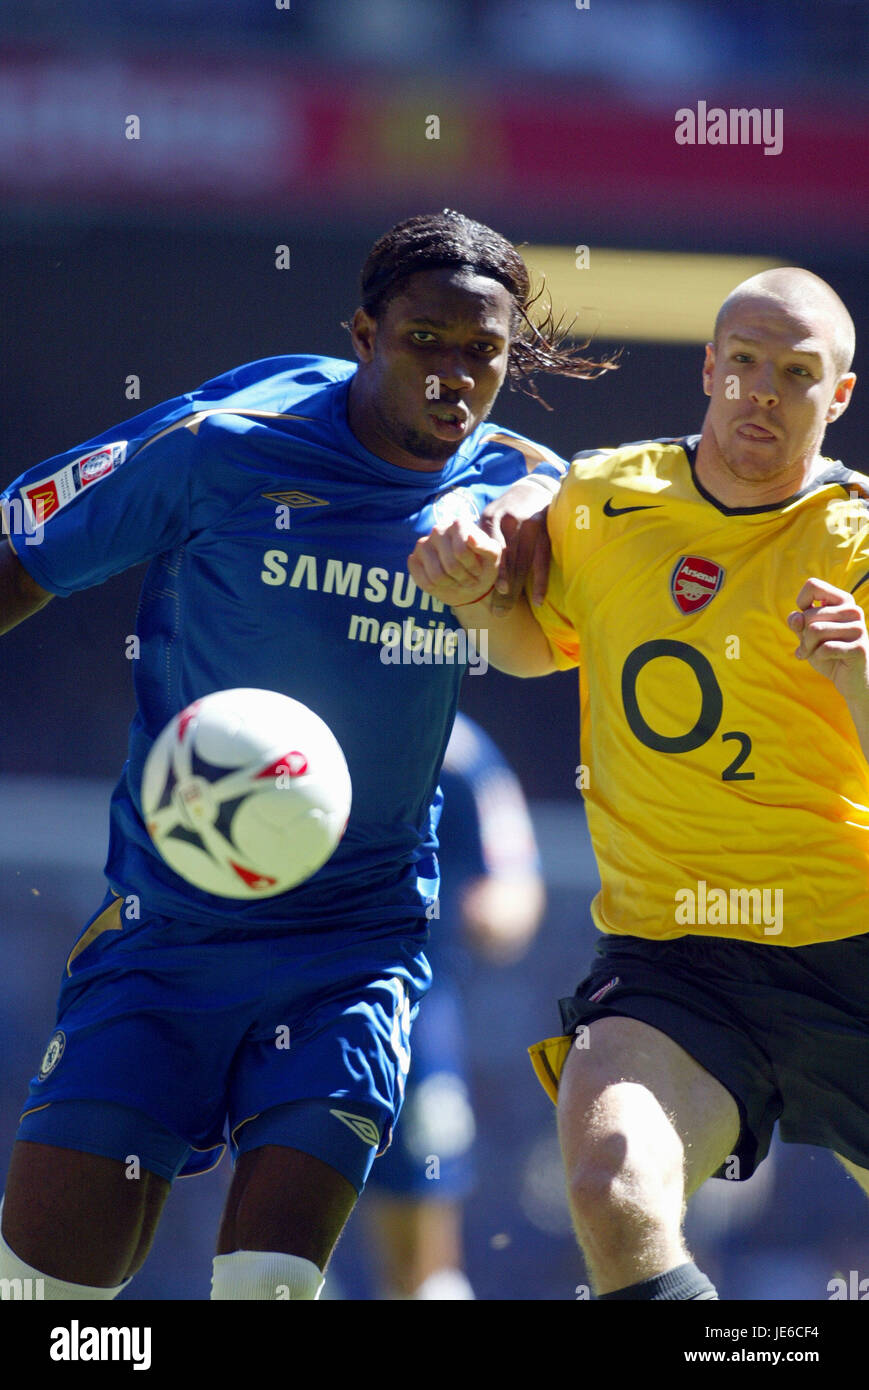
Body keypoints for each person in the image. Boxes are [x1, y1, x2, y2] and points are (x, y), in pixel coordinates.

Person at [0, 210, 613, 1301]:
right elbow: (23, 554)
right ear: (363, 332)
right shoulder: (221, 447)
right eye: (425, 340)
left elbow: (591, 532)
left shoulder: (520, 497)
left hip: (350, 953)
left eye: (482, 354)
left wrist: (523, 524)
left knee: (269, 1284)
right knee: (54, 1299)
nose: (452, 378)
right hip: (165, 935)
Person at [409, 266, 869, 1301]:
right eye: (742, 362)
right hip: (674, 955)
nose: (759, 390)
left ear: (835, 398)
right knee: (611, 1184)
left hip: (848, 944)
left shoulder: (855, 537)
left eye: (794, 373)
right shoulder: (607, 497)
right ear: (707, 367)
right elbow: (536, 645)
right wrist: (476, 600)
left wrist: (854, 670)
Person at [361, 710, 544, 1300]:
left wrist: (494, 908)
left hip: (409, 1023)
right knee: (268, 1240)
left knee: (418, 1254)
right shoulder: (287, 721)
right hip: (282, 1004)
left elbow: (514, 889)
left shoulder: (457, 749)